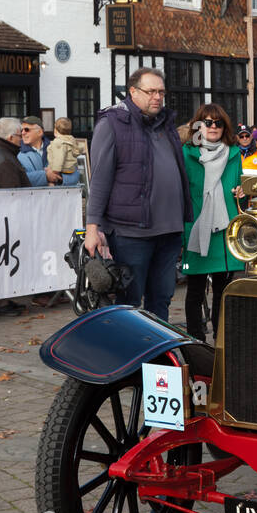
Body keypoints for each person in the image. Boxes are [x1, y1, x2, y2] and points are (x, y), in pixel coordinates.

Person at [84, 68, 191, 323]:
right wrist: (92, 228)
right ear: (132, 92)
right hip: (132, 233)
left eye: (161, 92)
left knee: (161, 299)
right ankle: (127, 359)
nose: (157, 97)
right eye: (151, 91)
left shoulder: (166, 125)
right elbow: (99, 180)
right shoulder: (112, 124)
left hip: (169, 232)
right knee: (129, 302)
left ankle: (155, 359)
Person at [181, 105, 242, 341]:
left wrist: (241, 192)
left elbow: (240, 188)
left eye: (218, 123)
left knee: (223, 292)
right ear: (198, 125)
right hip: (196, 229)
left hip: (226, 231)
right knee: (194, 290)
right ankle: (195, 341)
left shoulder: (234, 153)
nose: (213, 127)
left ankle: (221, 341)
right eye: (208, 122)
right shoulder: (187, 153)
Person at [0, 117, 32, 316]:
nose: (22, 138)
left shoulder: (0, 152)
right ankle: (1, 302)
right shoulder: (2, 158)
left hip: (1, 217)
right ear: (10, 137)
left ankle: (5, 298)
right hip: (6, 219)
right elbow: (12, 193)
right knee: (4, 260)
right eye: (20, 134)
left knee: (5, 259)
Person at [18, 116, 63, 187]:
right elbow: (18, 178)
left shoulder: (57, 148)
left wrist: (58, 177)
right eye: (21, 130)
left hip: (59, 196)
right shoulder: (16, 153)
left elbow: (73, 173)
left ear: (40, 132)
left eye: (26, 129)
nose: (23, 133)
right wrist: (45, 176)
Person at [47, 117, 82, 185]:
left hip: (60, 171)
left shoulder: (58, 142)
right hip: (70, 169)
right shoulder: (72, 140)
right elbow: (75, 153)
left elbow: (59, 158)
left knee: (51, 186)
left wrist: (55, 171)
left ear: (55, 130)